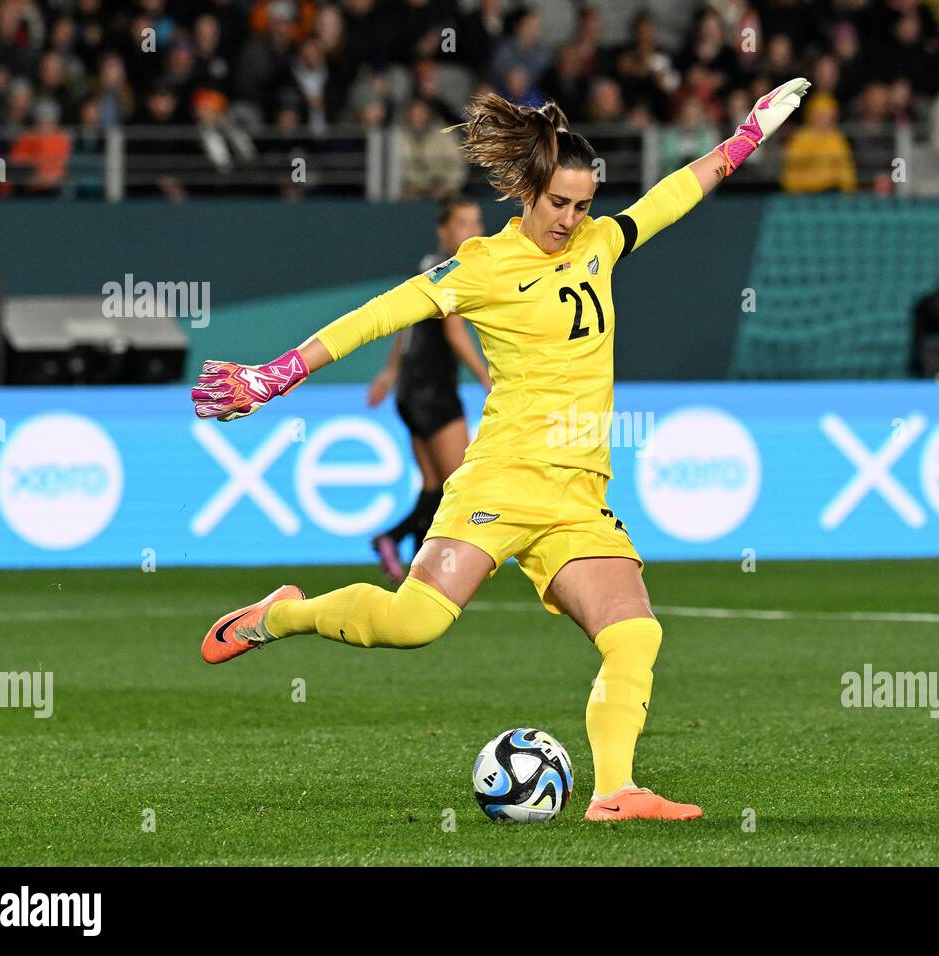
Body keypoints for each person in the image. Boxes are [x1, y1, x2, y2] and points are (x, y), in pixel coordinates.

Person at [191, 77, 812, 822]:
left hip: (579, 494)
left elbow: (676, 194)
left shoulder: (600, 243)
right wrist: (283, 371)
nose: (572, 219)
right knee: (413, 623)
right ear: (528, 191)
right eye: (560, 204)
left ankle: (614, 793)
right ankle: (282, 615)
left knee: (636, 634)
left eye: (584, 204)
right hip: (506, 476)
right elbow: (381, 313)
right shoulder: (482, 265)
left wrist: (746, 136)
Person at [368, 196, 493, 583]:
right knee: (456, 485)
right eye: (463, 223)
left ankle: (419, 570)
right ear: (444, 231)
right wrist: (489, 378)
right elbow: (455, 334)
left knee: (433, 484)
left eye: (476, 222)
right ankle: (395, 539)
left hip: (410, 390)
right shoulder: (453, 271)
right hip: (434, 392)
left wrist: (390, 372)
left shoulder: (427, 268)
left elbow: (405, 323)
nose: (473, 230)